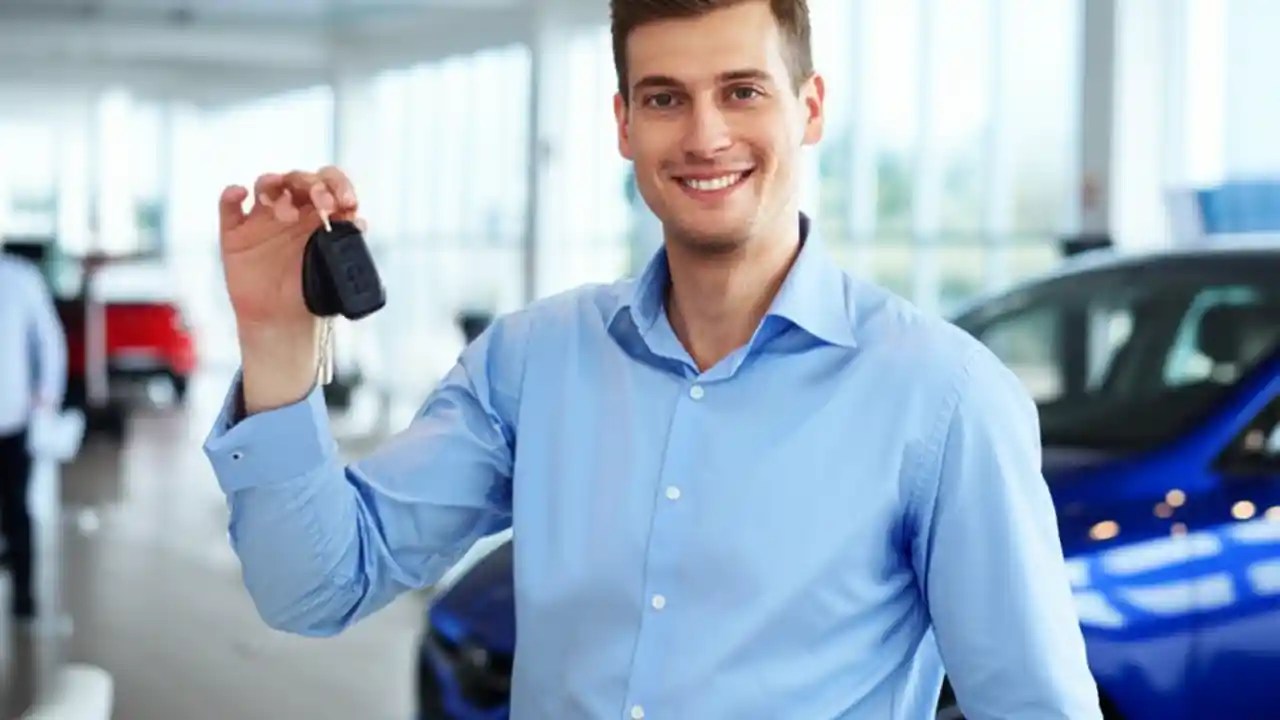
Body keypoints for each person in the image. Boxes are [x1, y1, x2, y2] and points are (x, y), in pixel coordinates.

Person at [204, 1, 1102, 717]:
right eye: (666, 98)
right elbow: (318, 585)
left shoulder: (944, 399)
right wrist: (277, 333)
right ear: (624, 123)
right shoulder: (530, 363)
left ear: (811, 107)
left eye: (742, 91)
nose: (705, 136)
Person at [0, 245, 67, 619]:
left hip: (11, 417)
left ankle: (23, 598)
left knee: (16, 508)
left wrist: (46, 396)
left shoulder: (21, 278)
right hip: (12, 411)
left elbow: (49, 341)